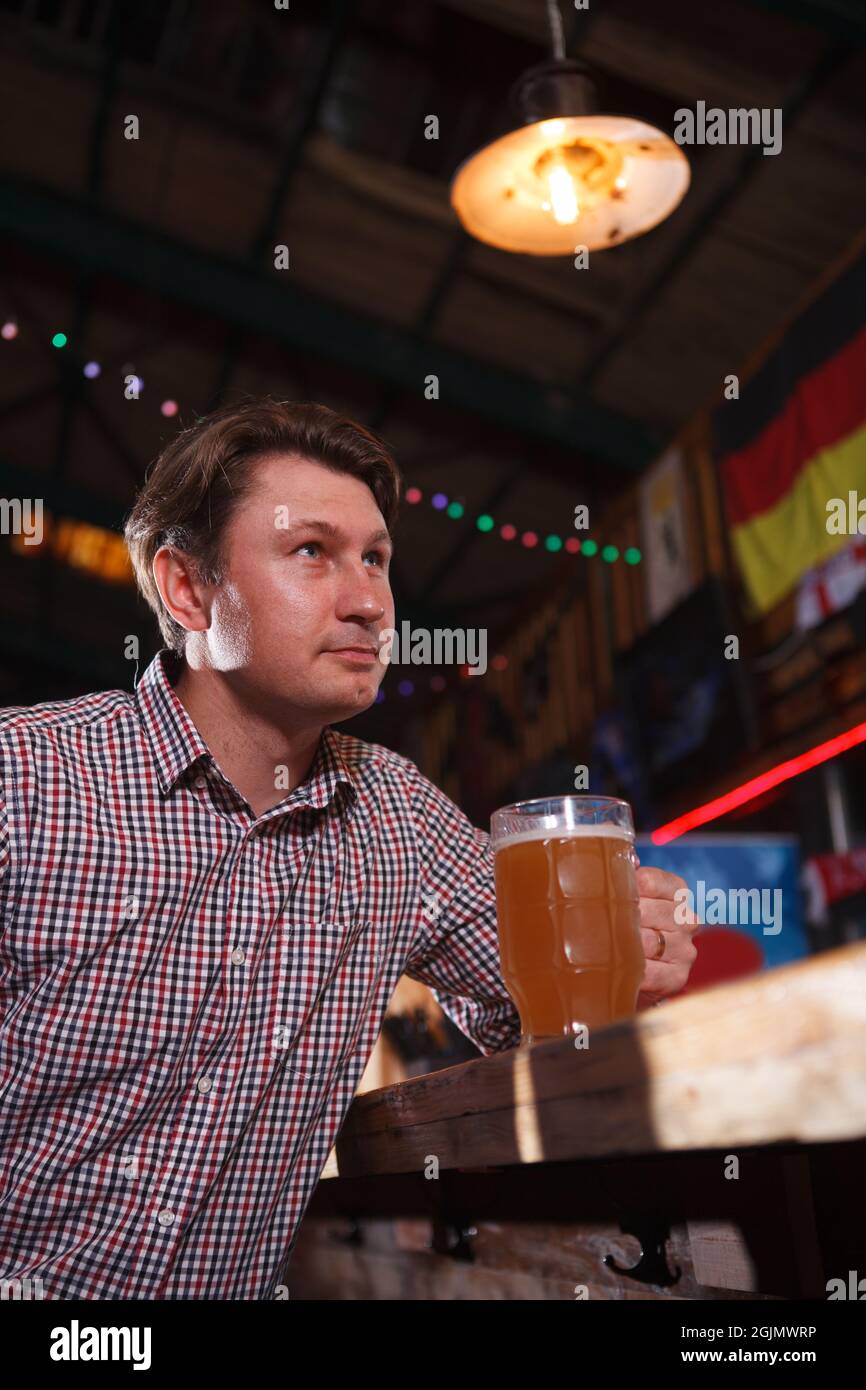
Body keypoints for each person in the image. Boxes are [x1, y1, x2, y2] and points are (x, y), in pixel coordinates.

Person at [0, 399, 697, 1299]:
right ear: (188, 589)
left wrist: (633, 959)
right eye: (312, 553)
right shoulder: (25, 777)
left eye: (375, 559)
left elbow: (547, 1019)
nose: (370, 602)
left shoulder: (395, 817)